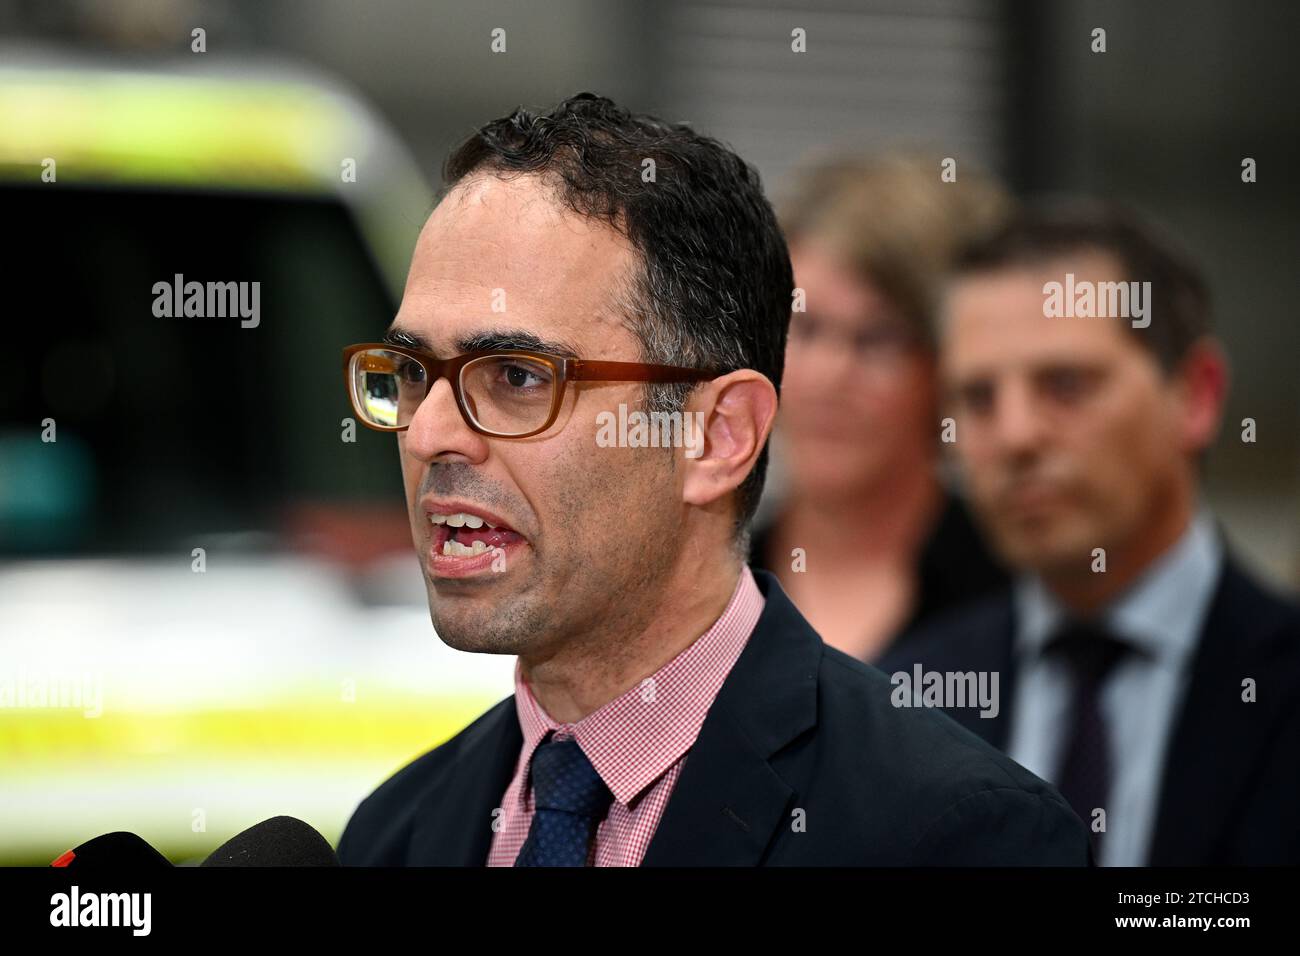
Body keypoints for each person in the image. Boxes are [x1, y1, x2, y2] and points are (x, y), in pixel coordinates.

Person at [334, 93, 1089, 866]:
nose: (428, 431)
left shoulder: (956, 837)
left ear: (717, 435)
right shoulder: (391, 835)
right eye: (414, 371)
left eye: (519, 376)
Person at [879, 203, 1300, 865]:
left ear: (1197, 396)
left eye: (1066, 385)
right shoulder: (906, 695)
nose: (1016, 436)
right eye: (979, 397)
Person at [750, 154, 1011, 662]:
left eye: (877, 339)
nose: (829, 377)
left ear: (948, 367)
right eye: (805, 329)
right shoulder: (706, 589)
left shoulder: (1016, 590)